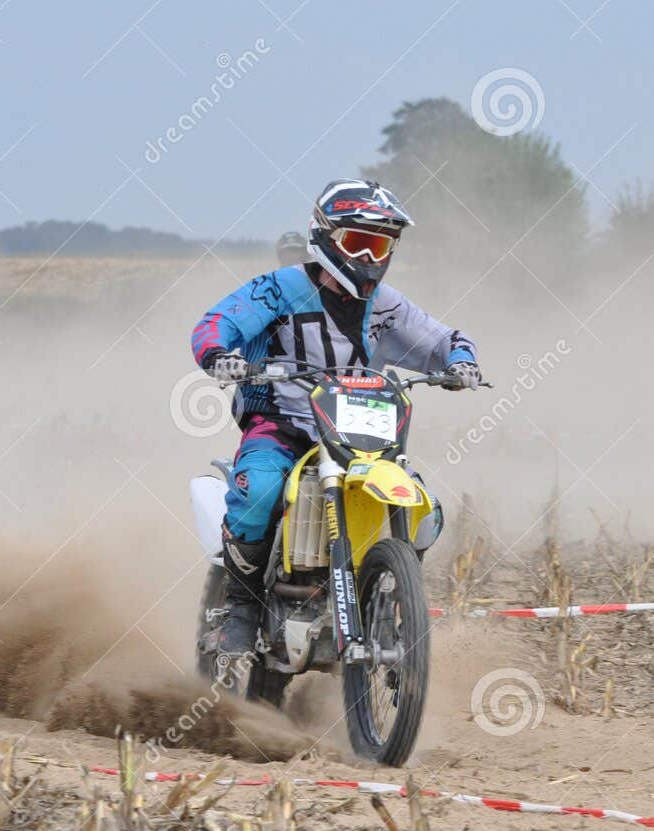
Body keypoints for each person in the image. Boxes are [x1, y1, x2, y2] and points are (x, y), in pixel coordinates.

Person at [190, 178, 483, 658]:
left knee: (424, 511)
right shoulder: (278, 290)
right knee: (261, 489)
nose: (369, 259)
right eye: (357, 244)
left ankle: (385, 594)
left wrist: (461, 361)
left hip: (359, 432)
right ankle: (240, 609)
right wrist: (219, 354)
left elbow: (439, 337)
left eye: (380, 245)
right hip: (281, 425)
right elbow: (215, 323)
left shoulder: (386, 303)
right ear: (325, 237)